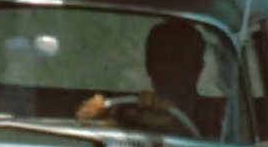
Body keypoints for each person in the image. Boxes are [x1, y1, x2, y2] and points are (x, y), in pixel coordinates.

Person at [76, 18, 207, 133]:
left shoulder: (219, 118)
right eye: (163, 58)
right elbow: (85, 125)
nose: (171, 68)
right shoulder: (130, 110)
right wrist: (106, 112)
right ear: (149, 66)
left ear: (198, 66)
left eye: (181, 58)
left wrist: (175, 125)